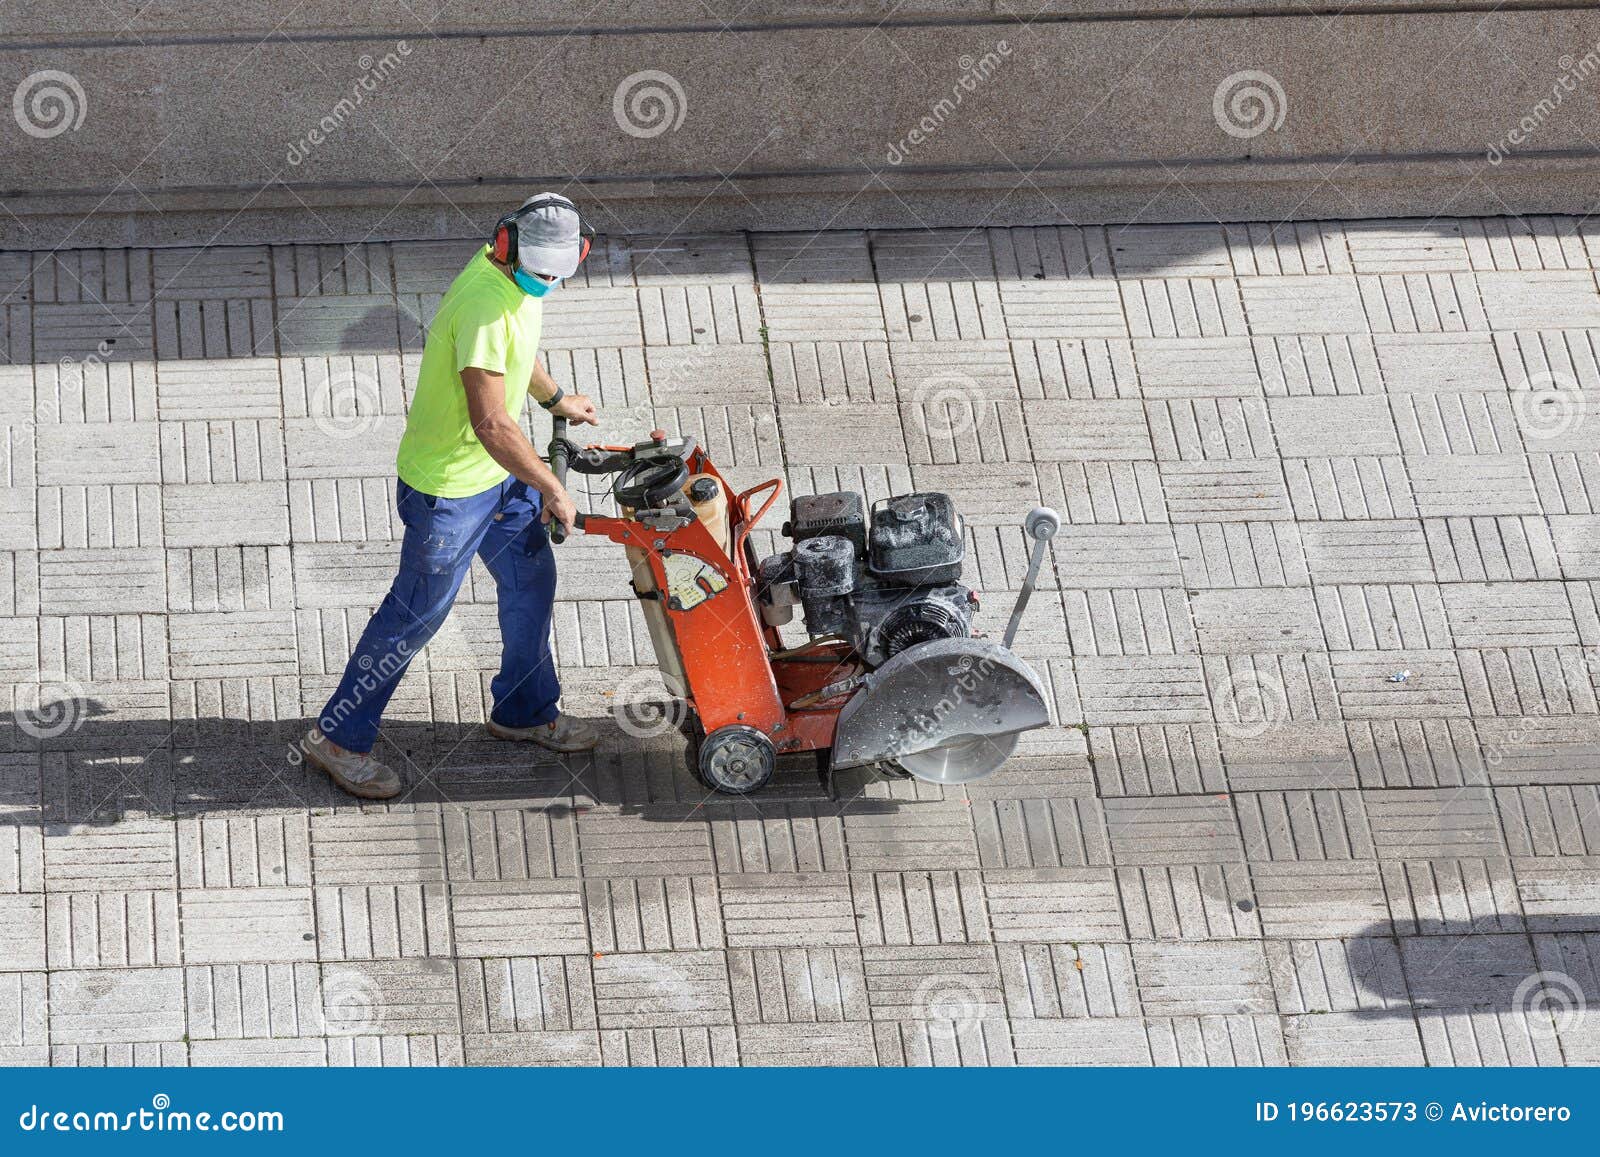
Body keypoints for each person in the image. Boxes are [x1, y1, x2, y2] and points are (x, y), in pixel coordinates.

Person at [300, 192, 602, 799]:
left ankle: (523, 712)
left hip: (496, 477)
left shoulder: (514, 281)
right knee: (414, 617)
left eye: (556, 274)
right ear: (506, 244)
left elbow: (520, 350)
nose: (546, 283)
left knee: (530, 582)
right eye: (539, 272)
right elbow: (492, 422)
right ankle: (337, 739)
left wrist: (553, 398)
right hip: (450, 491)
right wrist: (549, 483)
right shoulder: (484, 305)